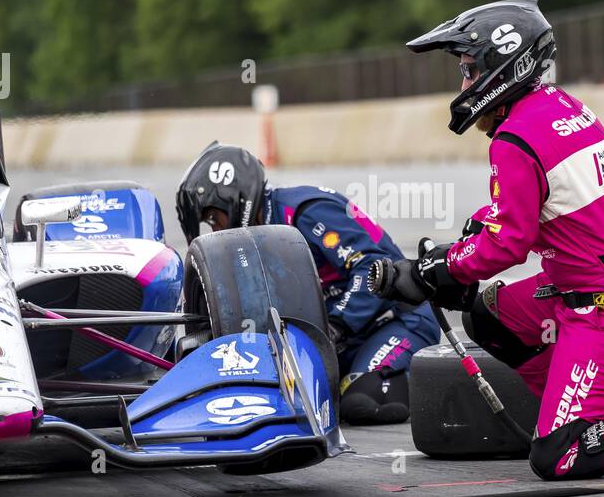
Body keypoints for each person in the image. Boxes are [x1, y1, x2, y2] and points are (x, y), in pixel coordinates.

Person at [370, 0, 604, 480]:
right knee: (489, 315)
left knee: (556, 457)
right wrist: (465, 246)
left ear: (501, 67)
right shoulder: (559, 107)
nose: (463, 86)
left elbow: (507, 243)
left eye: (468, 71)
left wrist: (437, 270)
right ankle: (595, 422)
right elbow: (540, 209)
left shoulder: (513, 140)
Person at [176, 143, 440, 425]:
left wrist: (335, 326)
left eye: (214, 218)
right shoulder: (256, 238)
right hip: (347, 339)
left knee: (360, 402)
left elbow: (372, 268)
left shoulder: (305, 212)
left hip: (400, 319)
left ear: (235, 198)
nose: (216, 229)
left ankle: (441, 385)